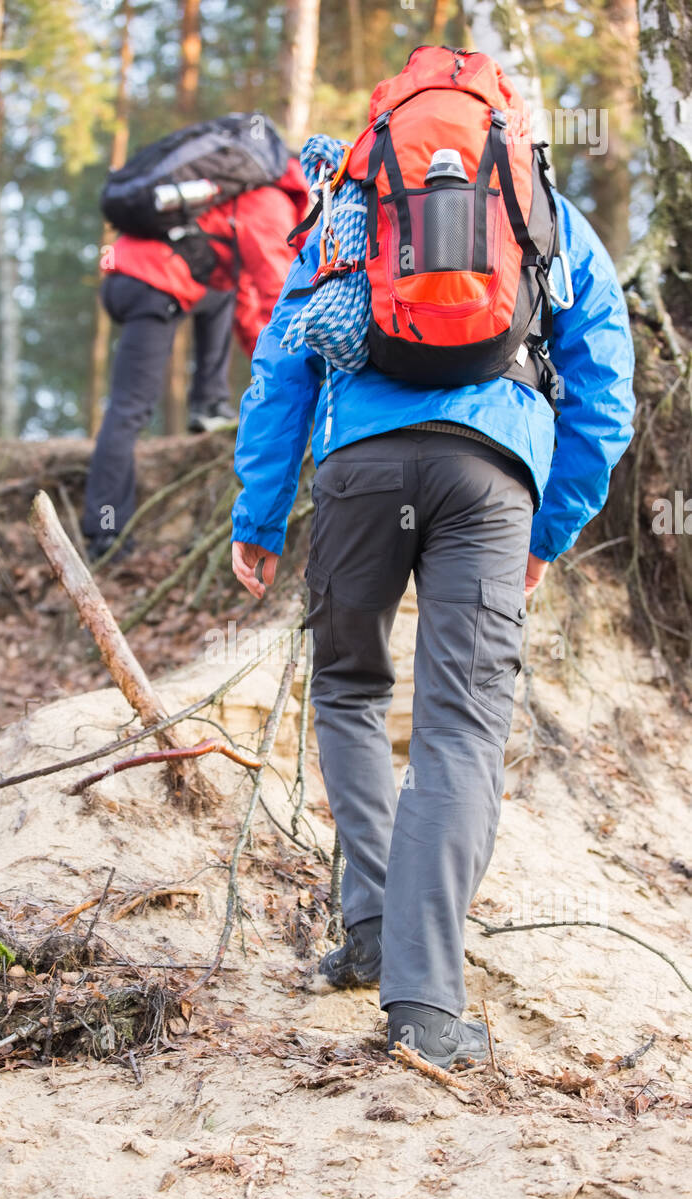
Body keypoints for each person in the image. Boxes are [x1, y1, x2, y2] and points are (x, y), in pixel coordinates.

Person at [229, 60, 635, 1069]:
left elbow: (282, 360)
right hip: (488, 476)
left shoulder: (345, 211)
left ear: (382, 128)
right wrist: (549, 526)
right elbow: (604, 386)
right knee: (457, 728)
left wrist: (261, 514)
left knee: (352, 690)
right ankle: (422, 998)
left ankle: (369, 929)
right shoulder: (540, 214)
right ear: (503, 130)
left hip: (361, 471)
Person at [82, 153, 309, 561]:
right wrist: (303, 369)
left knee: (220, 294)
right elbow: (282, 299)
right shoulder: (270, 204)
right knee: (130, 409)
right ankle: (106, 532)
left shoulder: (244, 194)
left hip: (136, 273)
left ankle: (208, 403)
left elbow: (243, 302)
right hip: (151, 282)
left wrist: (269, 361)